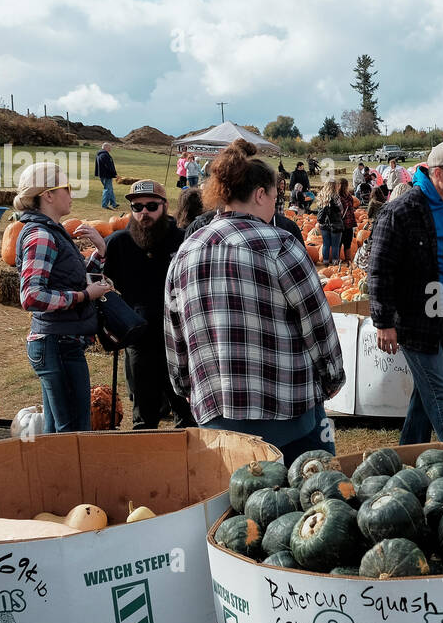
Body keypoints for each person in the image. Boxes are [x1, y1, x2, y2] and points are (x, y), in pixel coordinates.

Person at [165, 138, 343, 462]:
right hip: (289, 410)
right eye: (275, 198)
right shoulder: (281, 244)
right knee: (309, 497)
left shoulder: (185, 252)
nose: (275, 206)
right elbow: (316, 321)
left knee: (236, 507)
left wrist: (184, 385)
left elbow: (175, 333)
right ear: (260, 194)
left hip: (217, 411)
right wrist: (332, 376)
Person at [369, 140, 443, 445]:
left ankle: (408, 453)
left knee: (425, 394)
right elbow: (379, 270)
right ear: (437, 172)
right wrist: (384, 323)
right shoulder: (400, 212)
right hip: (413, 320)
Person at [14, 161, 112, 434]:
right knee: (72, 431)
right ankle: (64, 477)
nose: (71, 194)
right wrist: (83, 296)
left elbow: (71, 279)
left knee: (61, 428)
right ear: (48, 194)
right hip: (57, 343)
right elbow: (32, 296)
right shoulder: (41, 235)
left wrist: (100, 252)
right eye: (66, 187)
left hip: (61, 341)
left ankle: (57, 476)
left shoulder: (52, 232)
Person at [101, 180, 195, 430]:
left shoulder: (184, 241)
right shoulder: (118, 243)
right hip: (139, 337)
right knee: (144, 411)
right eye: (137, 206)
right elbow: (105, 288)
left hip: (178, 336)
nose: (144, 212)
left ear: (164, 206)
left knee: (186, 410)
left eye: (151, 206)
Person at [315, 181, 343, 265]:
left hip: (324, 224)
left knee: (326, 244)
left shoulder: (322, 196)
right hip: (335, 224)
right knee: (335, 245)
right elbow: (341, 209)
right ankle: (335, 262)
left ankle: (325, 261)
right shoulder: (335, 197)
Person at [338, 178, 357, 266]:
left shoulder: (337, 197)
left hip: (340, 222)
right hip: (349, 222)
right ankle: (348, 260)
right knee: (347, 242)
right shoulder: (349, 196)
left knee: (339, 242)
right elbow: (351, 207)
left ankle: (337, 260)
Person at [95, 143, 119, 210]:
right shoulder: (104, 155)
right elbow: (108, 166)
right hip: (106, 175)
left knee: (110, 189)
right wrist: (114, 174)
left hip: (104, 175)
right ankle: (104, 205)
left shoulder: (101, 154)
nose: (110, 149)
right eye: (109, 147)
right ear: (106, 147)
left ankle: (113, 204)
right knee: (107, 189)